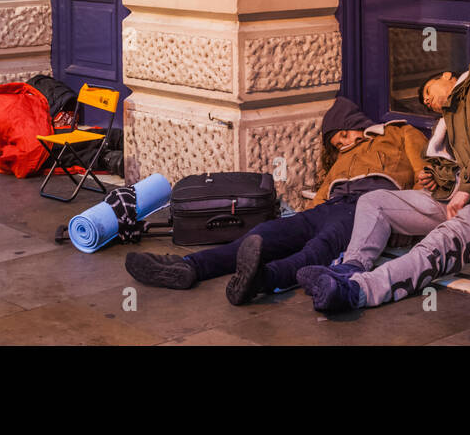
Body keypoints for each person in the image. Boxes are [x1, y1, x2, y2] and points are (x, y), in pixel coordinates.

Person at [123, 97, 430, 305]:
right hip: (330, 206)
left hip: (368, 205)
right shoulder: (341, 161)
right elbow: (323, 193)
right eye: (338, 144)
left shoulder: (397, 132)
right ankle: (188, 266)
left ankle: (263, 280)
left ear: (355, 121)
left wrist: (412, 207)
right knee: (261, 235)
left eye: (344, 137)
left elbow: (423, 171)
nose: (346, 145)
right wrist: (303, 218)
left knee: (319, 248)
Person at [296, 63, 470, 313]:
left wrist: (467, 187)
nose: (427, 100)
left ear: (448, 76)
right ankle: (348, 268)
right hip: (467, 196)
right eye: (425, 101)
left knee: (440, 242)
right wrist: (438, 179)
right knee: (375, 201)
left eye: (427, 90)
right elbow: (462, 169)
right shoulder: (450, 120)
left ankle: (356, 291)